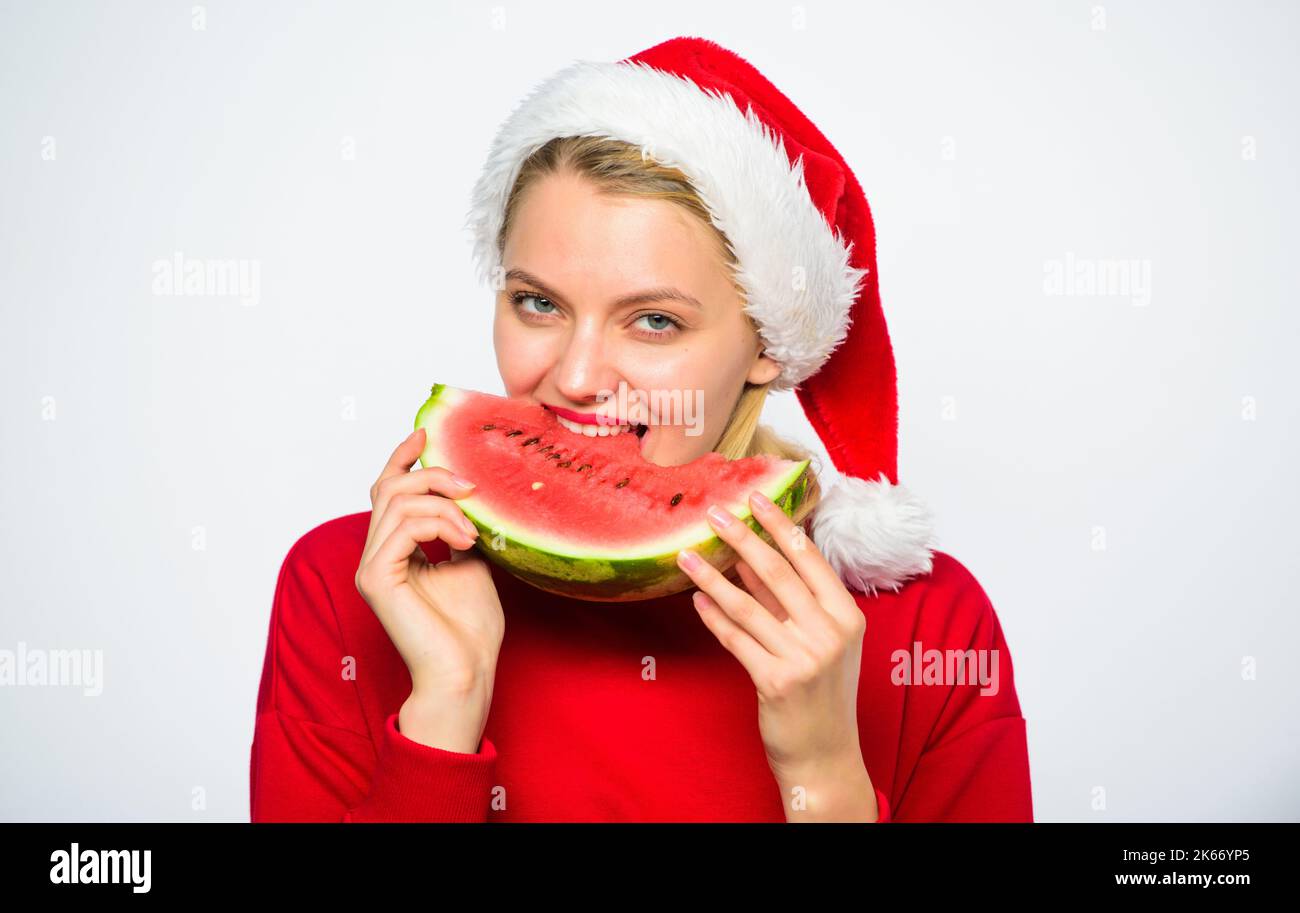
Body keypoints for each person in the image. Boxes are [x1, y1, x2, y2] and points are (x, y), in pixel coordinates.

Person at [249, 36, 1033, 823]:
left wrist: (824, 774)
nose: (580, 375)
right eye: (538, 302)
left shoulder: (926, 630)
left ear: (768, 342)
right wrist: (444, 710)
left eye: (654, 320)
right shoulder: (351, 592)